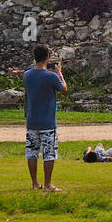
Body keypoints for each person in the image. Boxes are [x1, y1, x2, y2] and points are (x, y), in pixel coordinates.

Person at [24, 44, 66, 192]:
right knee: (49, 154)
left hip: (32, 120)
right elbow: (64, 89)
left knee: (32, 152)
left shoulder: (27, 75)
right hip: (47, 121)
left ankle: (35, 183)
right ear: (47, 57)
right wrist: (59, 73)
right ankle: (48, 184)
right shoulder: (51, 76)